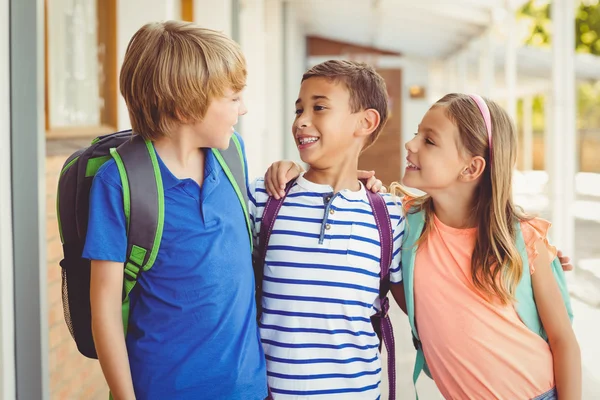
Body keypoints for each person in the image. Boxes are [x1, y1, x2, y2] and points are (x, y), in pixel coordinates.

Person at [83, 21, 267, 400]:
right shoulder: (120, 183)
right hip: (166, 389)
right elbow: (103, 307)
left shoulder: (233, 156)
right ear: (186, 108)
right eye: (232, 98)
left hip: (248, 388)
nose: (243, 108)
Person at [392, 93, 581, 399]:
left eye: (429, 140)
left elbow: (563, 340)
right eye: (417, 133)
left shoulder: (524, 238)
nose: (410, 144)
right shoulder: (402, 223)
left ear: (471, 168)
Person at [249, 60, 404, 399]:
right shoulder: (265, 198)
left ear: (365, 122)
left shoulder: (389, 216)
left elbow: (424, 309)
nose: (301, 120)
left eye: (319, 107)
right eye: (299, 109)